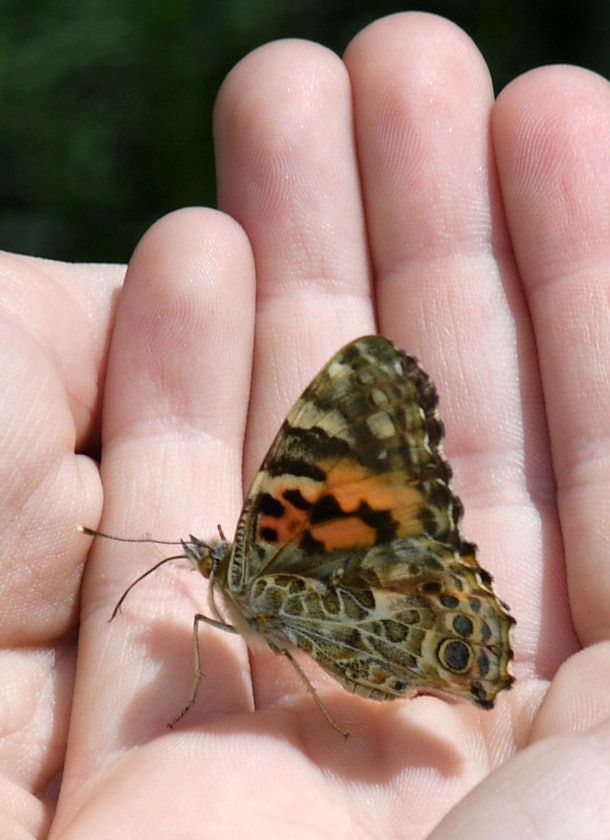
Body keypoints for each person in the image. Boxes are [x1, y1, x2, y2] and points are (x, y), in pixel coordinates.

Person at [3, 11, 609, 838]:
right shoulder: (256, 567)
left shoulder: (260, 561)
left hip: (414, 619)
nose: (203, 560)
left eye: (207, 557)